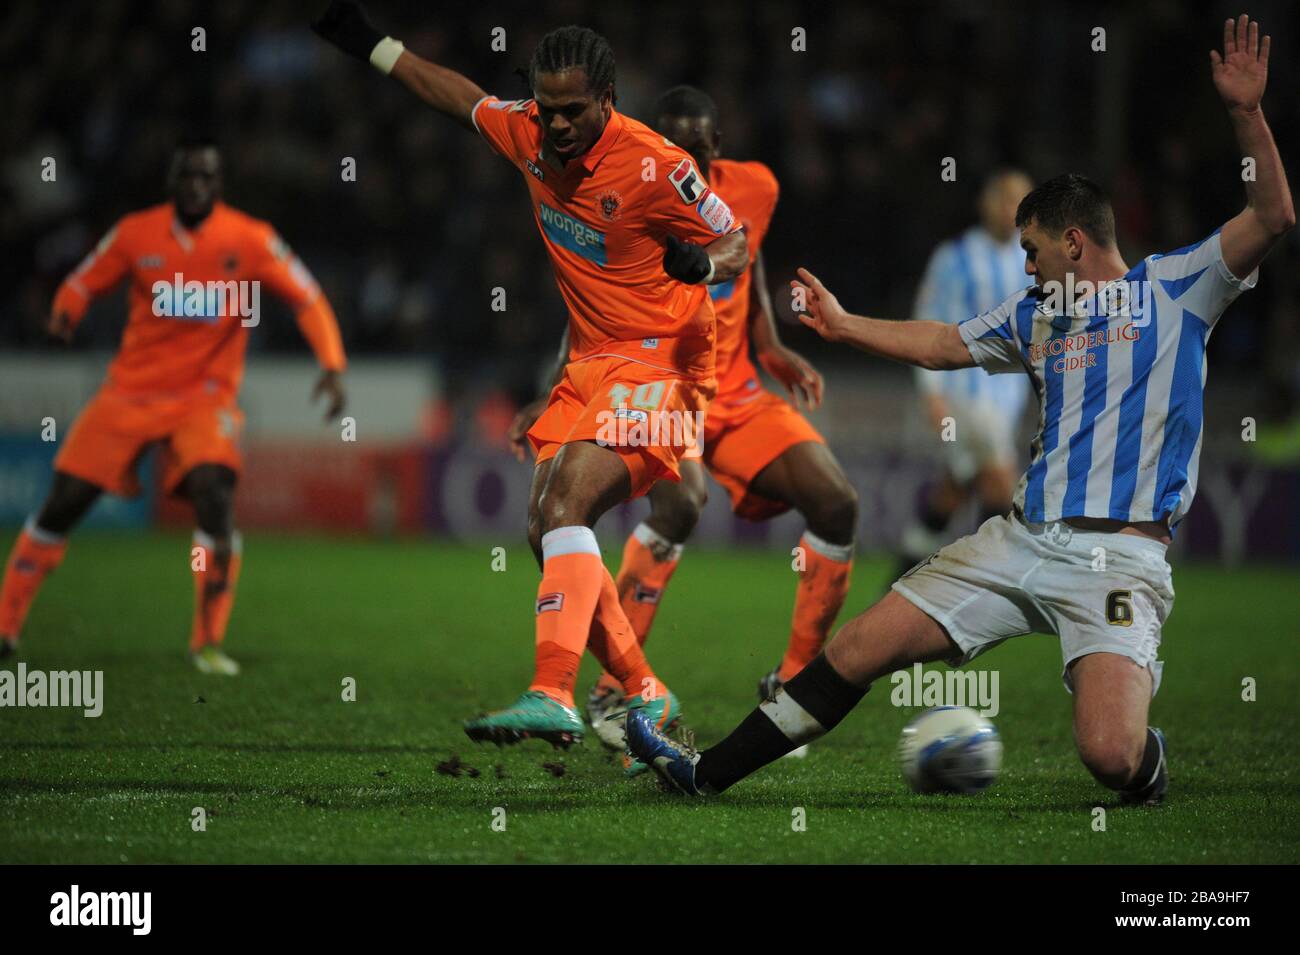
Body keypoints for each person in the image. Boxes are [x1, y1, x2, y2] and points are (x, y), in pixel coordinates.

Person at [628, 14, 1292, 803]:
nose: (1024, 265)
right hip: (1017, 540)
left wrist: (1247, 115)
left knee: (1110, 757)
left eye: (1032, 250)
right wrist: (843, 324)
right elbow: (942, 341)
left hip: (1121, 562)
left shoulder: (1179, 287)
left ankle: (1149, 752)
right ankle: (702, 775)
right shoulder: (1037, 317)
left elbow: (1274, 217)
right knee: (858, 647)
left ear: (1074, 242)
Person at [312, 3, 748, 746]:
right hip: (589, 361)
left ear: (607, 99)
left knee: (567, 505)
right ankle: (646, 689)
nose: (556, 125)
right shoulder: (528, 134)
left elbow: (733, 239)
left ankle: (553, 693)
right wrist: (375, 46)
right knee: (543, 529)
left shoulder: (657, 165)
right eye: (546, 109)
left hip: (662, 357)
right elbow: (453, 94)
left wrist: (702, 263)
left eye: (573, 111)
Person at [512, 86, 857, 762]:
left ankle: (791, 684)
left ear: (717, 149)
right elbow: (590, 307)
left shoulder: (753, 189)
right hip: (661, 383)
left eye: (694, 147)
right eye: (669, 142)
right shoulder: (635, 190)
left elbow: (746, 259)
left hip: (737, 391)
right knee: (682, 499)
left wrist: (771, 342)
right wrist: (557, 381)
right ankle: (619, 689)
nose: (681, 156)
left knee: (837, 503)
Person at [0, 136, 348, 674]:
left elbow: (308, 297)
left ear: (220, 184)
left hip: (205, 399)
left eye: (206, 177)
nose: (196, 186)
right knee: (64, 502)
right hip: (129, 392)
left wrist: (331, 363)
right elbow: (82, 281)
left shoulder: (250, 238)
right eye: (187, 176)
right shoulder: (135, 234)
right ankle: (5, 627)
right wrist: (65, 312)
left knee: (215, 490)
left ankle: (207, 642)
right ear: (170, 183)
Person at [898, 171, 1033, 577]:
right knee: (1003, 490)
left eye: (1020, 200)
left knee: (952, 491)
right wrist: (931, 393)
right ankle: (983, 587)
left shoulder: (1033, 261)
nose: (1010, 208)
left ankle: (899, 580)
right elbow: (927, 320)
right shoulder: (954, 256)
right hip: (966, 394)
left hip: (1009, 399)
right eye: (1003, 198)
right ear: (985, 203)